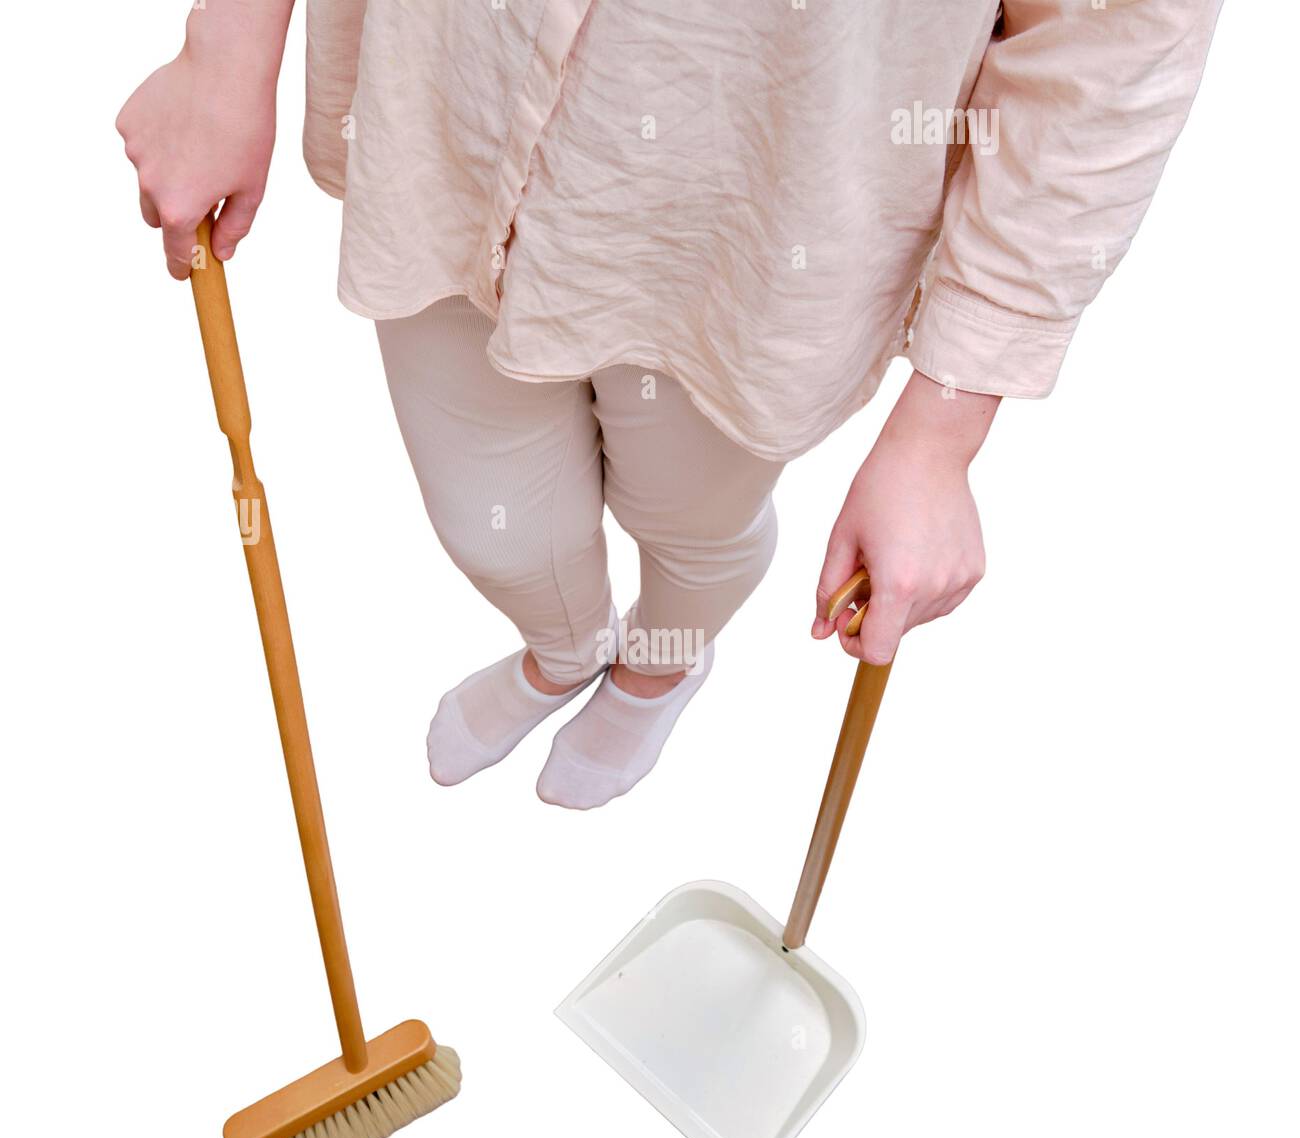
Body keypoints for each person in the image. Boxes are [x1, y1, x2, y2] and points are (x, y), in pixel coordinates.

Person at [117, 0, 1221, 808]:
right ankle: (561, 647)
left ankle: (662, 657)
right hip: (443, 127)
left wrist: (941, 430)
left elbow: (1111, 44)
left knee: (692, 520)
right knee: (489, 521)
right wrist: (227, 46)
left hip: (756, 235)